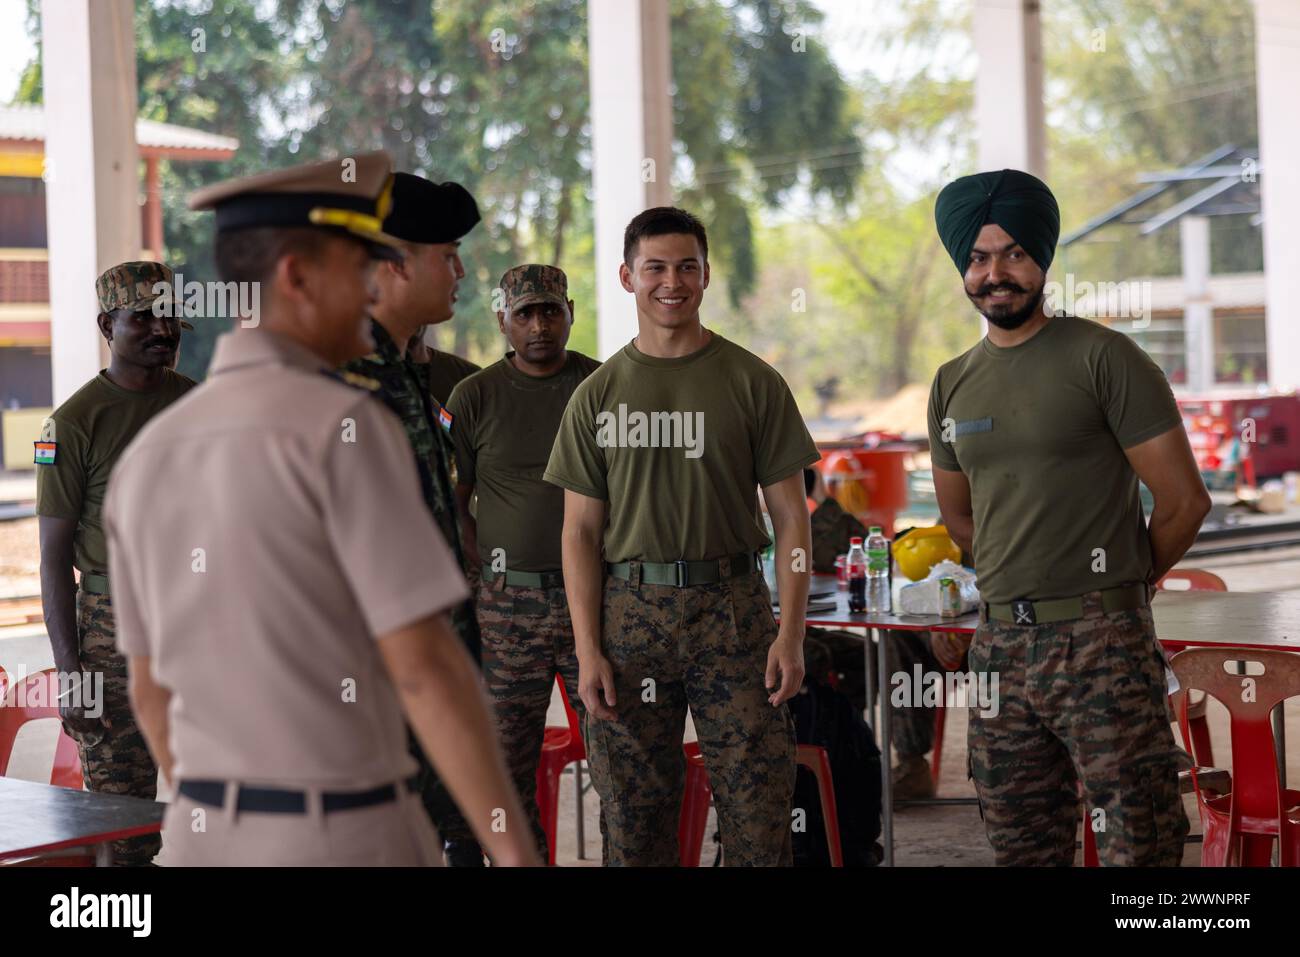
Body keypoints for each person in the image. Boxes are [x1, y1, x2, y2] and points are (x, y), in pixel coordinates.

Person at [104, 152, 537, 866]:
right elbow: (424, 667)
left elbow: (149, 690)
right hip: (342, 833)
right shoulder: (341, 426)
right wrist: (515, 852)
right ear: (297, 277)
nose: (373, 283)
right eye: (357, 264)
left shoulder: (151, 453)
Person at [927, 168, 1210, 866]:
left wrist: (1117, 591)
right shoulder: (950, 383)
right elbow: (962, 520)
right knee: (1022, 845)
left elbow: (1183, 502)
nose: (996, 273)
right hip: (1000, 648)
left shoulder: (1104, 358)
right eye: (978, 258)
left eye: (1013, 253)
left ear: (1042, 261)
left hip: (1102, 646)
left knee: (1139, 844)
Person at [545, 206, 818, 866]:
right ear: (627, 277)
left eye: (687, 266)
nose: (673, 281)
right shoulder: (597, 395)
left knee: (759, 820)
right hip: (630, 618)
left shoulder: (753, 382)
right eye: (656, 267)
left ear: (705, 275)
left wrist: (791, 633)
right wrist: (587, 651)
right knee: (635, 825)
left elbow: (792, 520)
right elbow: (579, 532)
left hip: (734, 613)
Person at [338, 171, 487, 865]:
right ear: (393, 262)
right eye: (446, 253)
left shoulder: (397, 374)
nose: (459, 271)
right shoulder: (336, 377)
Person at [35, 260, 194, 865]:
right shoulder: (74, 424)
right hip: (111, 633)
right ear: (108, 324)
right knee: (124, 827)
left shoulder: (197, 406)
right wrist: (71, 674)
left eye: (169, 314)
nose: (162, 328)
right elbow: (53, 562)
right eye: (143, 315)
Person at [446, 263, 600, 860]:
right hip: (507, 608)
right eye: (525, 314)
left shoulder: (599, 384)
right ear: (503, 320)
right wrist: (485, 576)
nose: (540, 325)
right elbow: (454, 504)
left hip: (596, 600)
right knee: (506, 768)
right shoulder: (474, 396)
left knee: (617, 756)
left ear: (569, 314)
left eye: (551, 311)